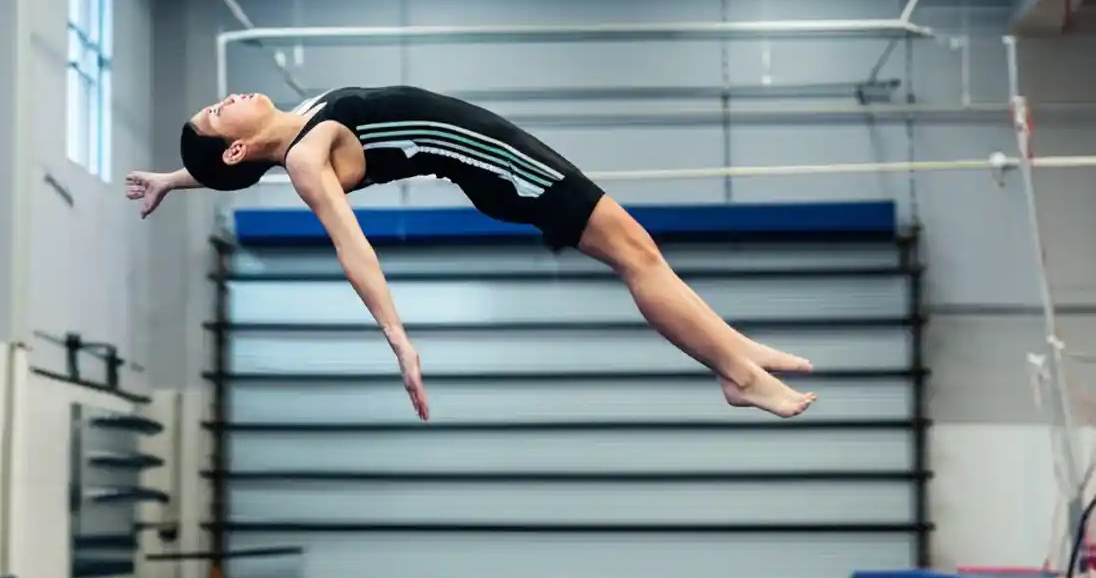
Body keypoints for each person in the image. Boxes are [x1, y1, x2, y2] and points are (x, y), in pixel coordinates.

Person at [126, 86, 817, 422]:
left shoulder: (298, 124)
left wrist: (174, 178)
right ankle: (738, 375)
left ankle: (736, 354)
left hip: (498, 156)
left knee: (641, 251)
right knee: (637, 256)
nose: (228, 99)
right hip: (500, 166)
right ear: (240, 145)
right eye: (219, 113)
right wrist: (398, 339)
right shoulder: (307, 157)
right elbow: (353, 248)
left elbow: (230, 167)